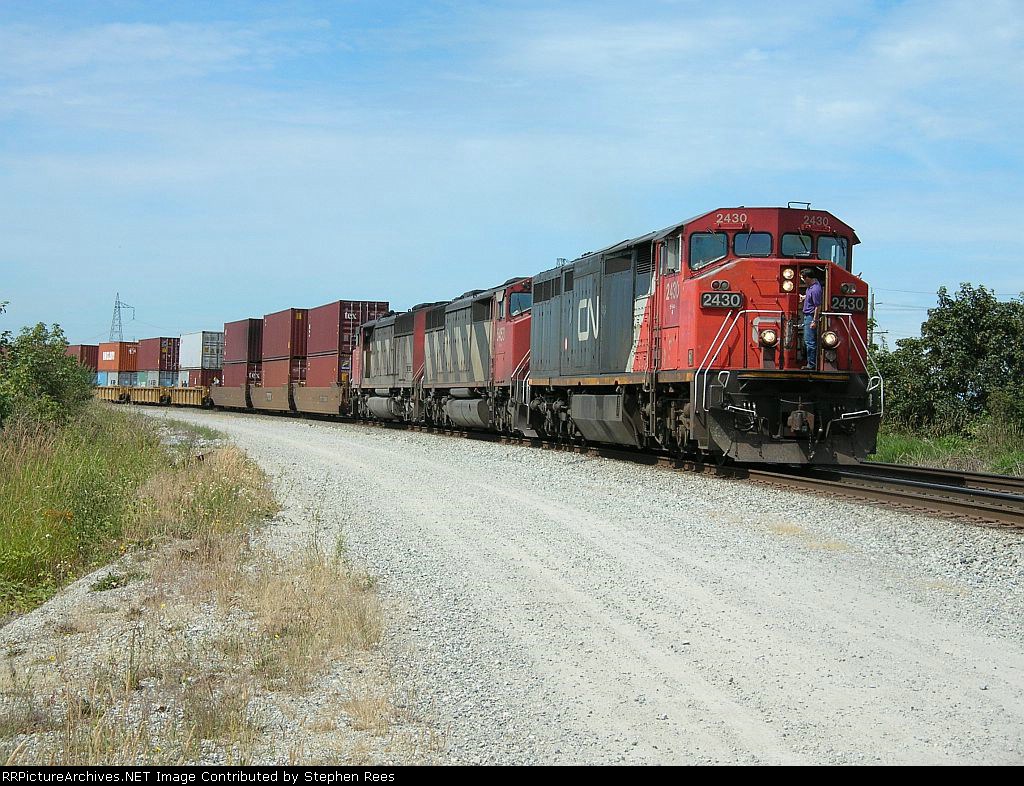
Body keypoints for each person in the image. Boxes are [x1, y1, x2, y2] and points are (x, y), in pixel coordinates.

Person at [801, 268, 822, 369]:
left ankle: (811, 365)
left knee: (810, 341)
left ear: (808, 278)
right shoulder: (810, 287)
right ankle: (810, 363)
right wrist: (805, 297)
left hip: (810, 316)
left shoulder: (815, 289)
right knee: (806, 341)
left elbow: (818, 306)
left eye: (803, 279)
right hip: (807, 316)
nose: (803, 281)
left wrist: (814, 321)